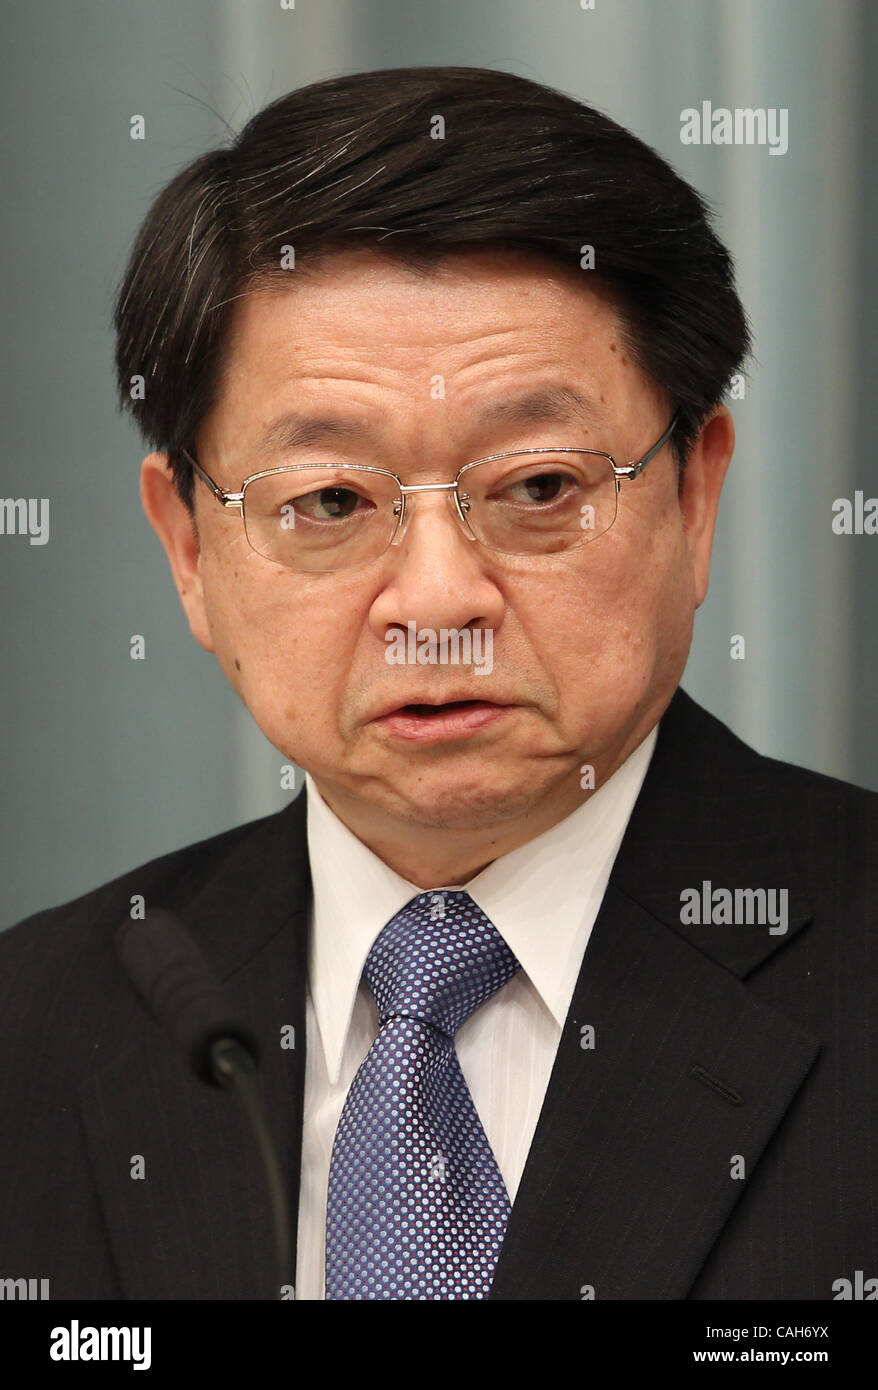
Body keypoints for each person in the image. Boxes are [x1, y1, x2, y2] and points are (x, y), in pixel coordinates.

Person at [1, 65, 875, 1302]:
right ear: (188, 550)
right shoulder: (37, 1028)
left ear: (693, 493)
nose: (434, 602)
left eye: (535, 488)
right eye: (331, 503)